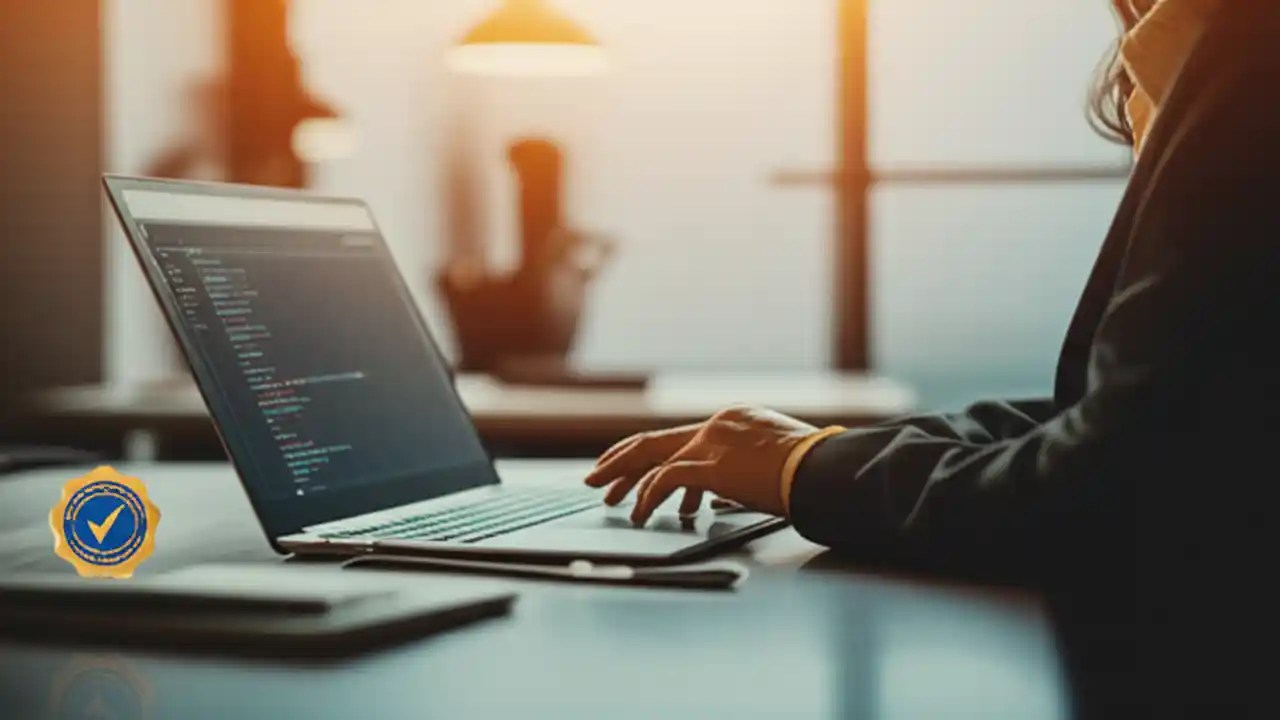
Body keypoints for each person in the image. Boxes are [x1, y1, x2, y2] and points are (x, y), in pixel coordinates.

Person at [586, 0, 1279, 712]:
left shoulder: (1253, 64)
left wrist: (805, 469)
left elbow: (1106, 489)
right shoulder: (1211, 52)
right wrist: (813, 453)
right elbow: (1135, 414)